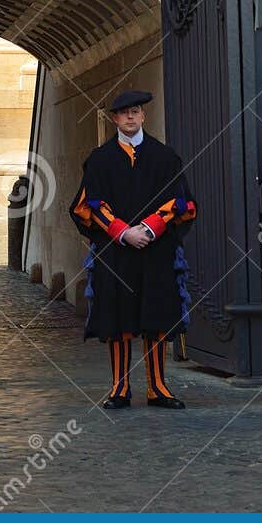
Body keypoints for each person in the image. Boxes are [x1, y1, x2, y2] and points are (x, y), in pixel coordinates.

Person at [69, 89, 196, 409]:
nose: (130, 116)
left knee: (155, 316)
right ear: (114, 118)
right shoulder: (99, 160)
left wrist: (151, 228)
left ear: (143, 116)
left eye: (135, 111)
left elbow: (182, 202)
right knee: (118, 319)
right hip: (116, 252)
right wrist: (123, 232)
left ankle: (158, 388)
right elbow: (88, 205)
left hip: (157, 250)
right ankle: (119, 388)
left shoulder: (166, 157)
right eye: (123, 112)